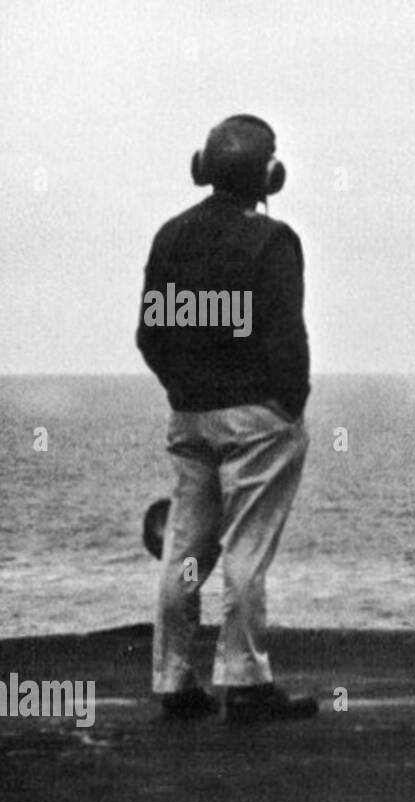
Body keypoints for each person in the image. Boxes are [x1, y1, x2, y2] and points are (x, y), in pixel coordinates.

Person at [137, 114, 317, 724]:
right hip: (256, 424)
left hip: (190, 420)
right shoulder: (273, 242)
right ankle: (243, 680)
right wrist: (286, 406)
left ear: (204, 168)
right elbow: (286, 343)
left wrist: (185, 392)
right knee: (246, 549)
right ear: (270, 175)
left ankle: (172, 679)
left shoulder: (170, 238)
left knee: (185, 549)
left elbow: (151, 335)